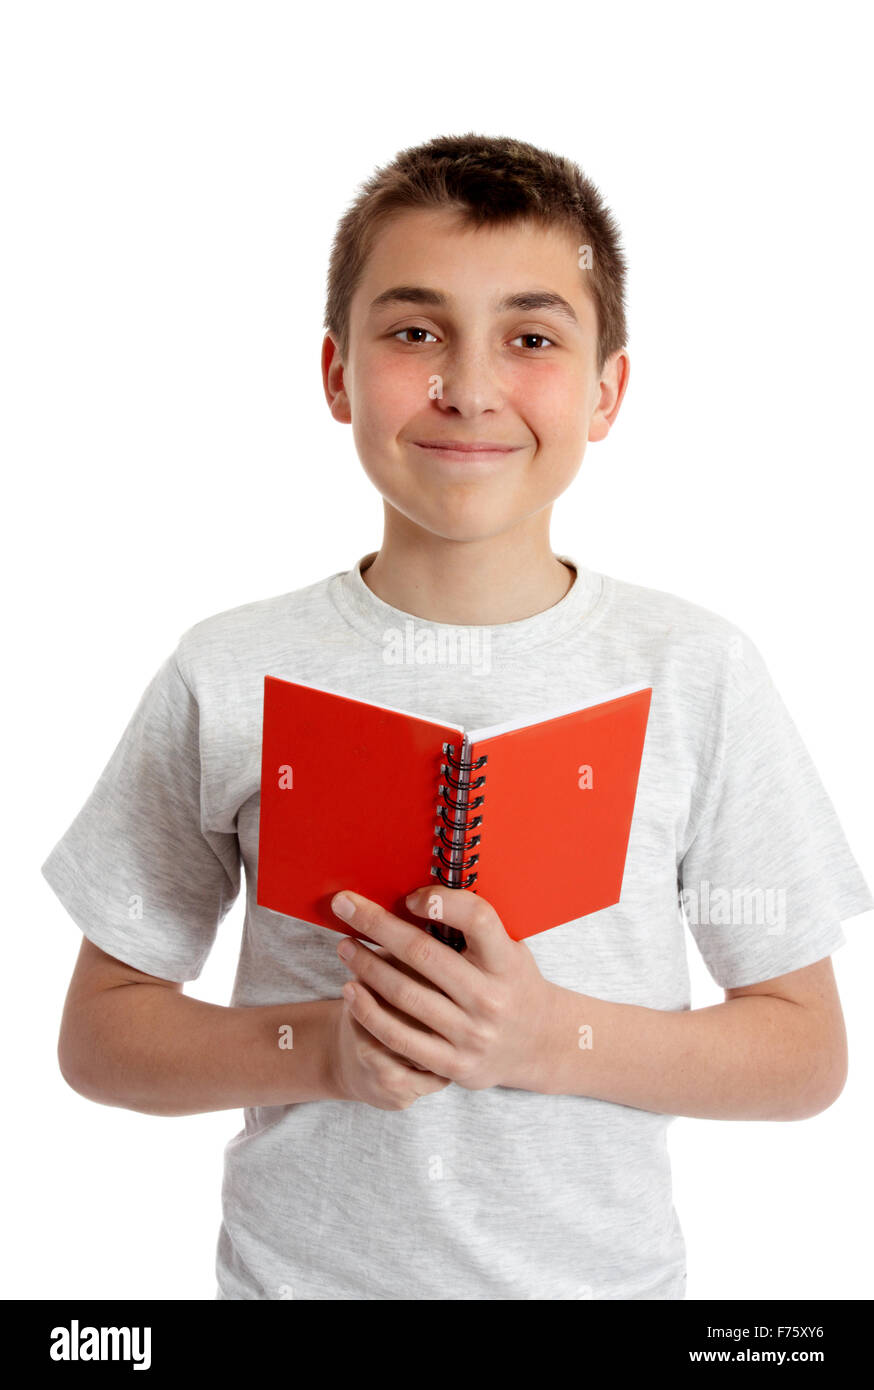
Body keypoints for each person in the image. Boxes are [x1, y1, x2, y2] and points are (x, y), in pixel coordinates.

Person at [42, 133, 873, 1300]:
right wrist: (321, 1050)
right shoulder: (228, 671)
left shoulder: (696, 672)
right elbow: (100, 1037)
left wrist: (546, 1037)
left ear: (606, 390)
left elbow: (804, 1054)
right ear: (336, 373)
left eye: (530, 337)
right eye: (413, 332)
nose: (469, 386)